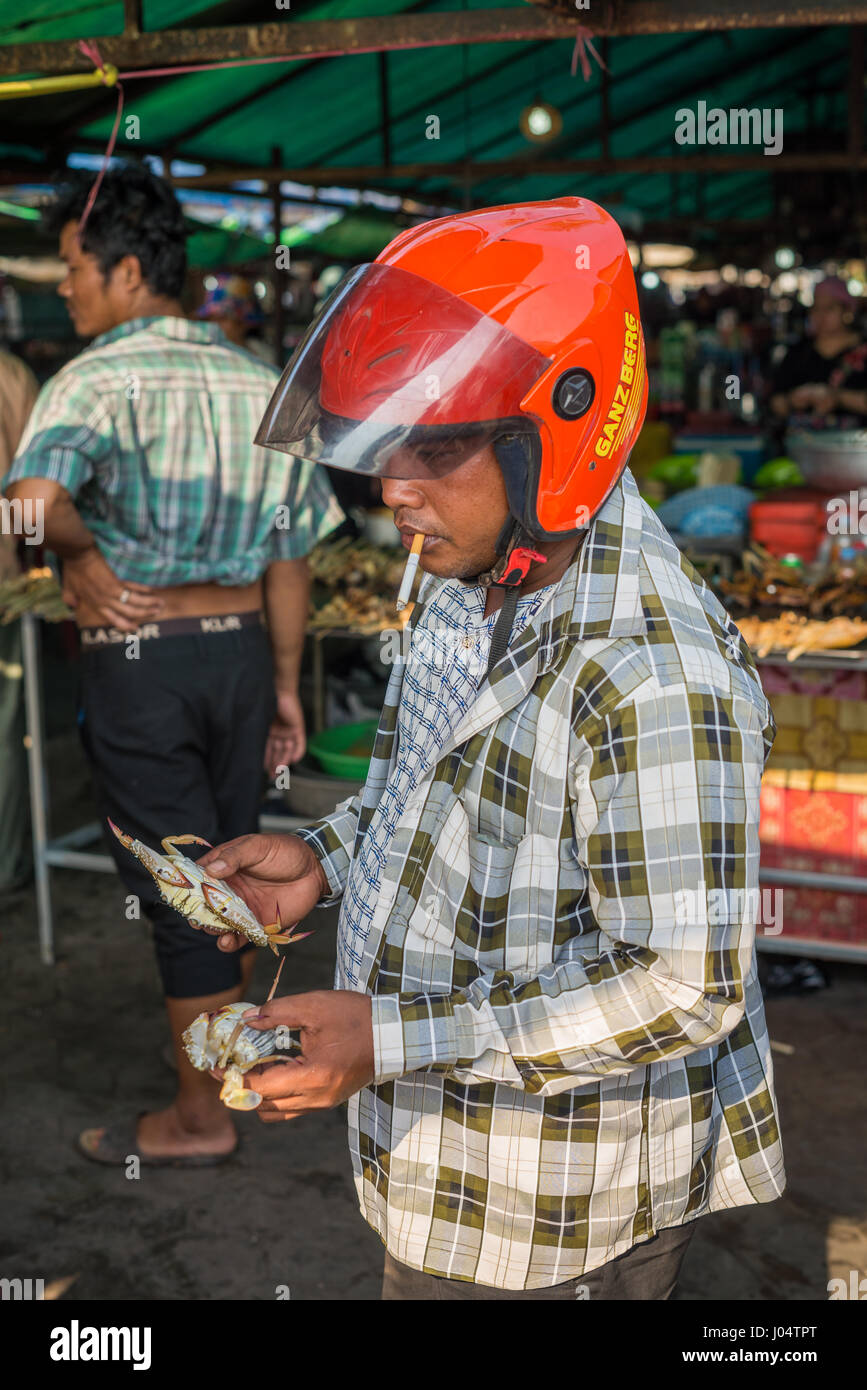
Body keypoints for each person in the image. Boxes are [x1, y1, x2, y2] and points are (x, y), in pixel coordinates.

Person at [195, 198, 784, 1298]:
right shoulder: (474, 568)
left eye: (434, 445)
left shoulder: (655, 673)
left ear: (558, 426)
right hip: (437, 1166)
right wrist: (326, 855)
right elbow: (425, 782)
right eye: (384, 445)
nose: (391, 492)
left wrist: (393, 1037)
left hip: (555, 1210)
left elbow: (683, 984)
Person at [2, 163, 344, 1164]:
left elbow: (25, 501)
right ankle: (245, 1073)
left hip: (141, 664)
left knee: (184, 890)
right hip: (240, 659)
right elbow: (293, 555)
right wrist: (284, 685)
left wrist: (80, 551)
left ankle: (203, 1119)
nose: (62, 286)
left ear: (125, 270)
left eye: (72, 266)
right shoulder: (257, 379)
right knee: (226, 869)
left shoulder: (95, 376)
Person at [0, 347, 40, 894]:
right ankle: (5, 867)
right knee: (5, 733)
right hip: (5, 582)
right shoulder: (11, 373)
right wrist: (30, 551)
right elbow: (32, 489)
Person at [770, 275, 867, 427]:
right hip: (804, 445)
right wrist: (793, 400)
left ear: (847, 311)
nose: (821, 315)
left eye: (829, 308)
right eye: (816, 308)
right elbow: (776, 400)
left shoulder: (863, 349)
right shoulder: (799, 352)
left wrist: (838, 397)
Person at [195, 272, 275, 365]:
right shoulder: (203, 355)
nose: (213, 325)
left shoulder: (263, 358)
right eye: (210, 319)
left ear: (242, 324)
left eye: (222, 319)